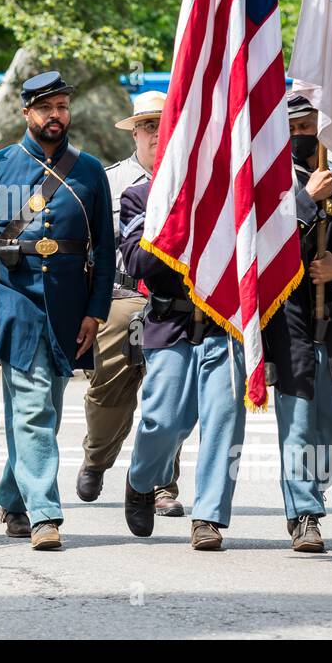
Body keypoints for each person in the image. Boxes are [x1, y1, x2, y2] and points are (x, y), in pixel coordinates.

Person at [0, 70, 116, 551]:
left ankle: (12, 498)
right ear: (27, 112)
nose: (56, 116)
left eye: (63, 106)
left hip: (70, 304)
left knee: (45, 412)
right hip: (15, 299)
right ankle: (44, 514)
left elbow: (105, 250)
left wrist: (95, 310)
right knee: (31, 409)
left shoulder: (89, 171)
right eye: (46, 108)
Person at [264, 95, 332, 553]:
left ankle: (314, 483)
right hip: (290, 310)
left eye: (310, 123)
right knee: (298, 417)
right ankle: (304, 513)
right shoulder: (268, 178)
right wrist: (306, 202)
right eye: (294, 125)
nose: (303, 132)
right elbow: (262, 242)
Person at [119, 180, 247, 550]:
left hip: (224, 323)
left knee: (224, 421)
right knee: (164, 420)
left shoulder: (231, 190)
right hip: (168, 323)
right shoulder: (140, 196)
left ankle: (208, 516)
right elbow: (137, 262)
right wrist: (181, 218)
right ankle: (141, 481)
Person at [76, 89, 182, 516]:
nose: (156, 134)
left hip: (173, 298)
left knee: (169, 390)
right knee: (110, 389)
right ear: (134, 132)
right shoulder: (110, 180)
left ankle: (159, 482)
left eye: (163, 124)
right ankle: (97, 458)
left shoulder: (187, 178)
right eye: (148, 126)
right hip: (122, 293)